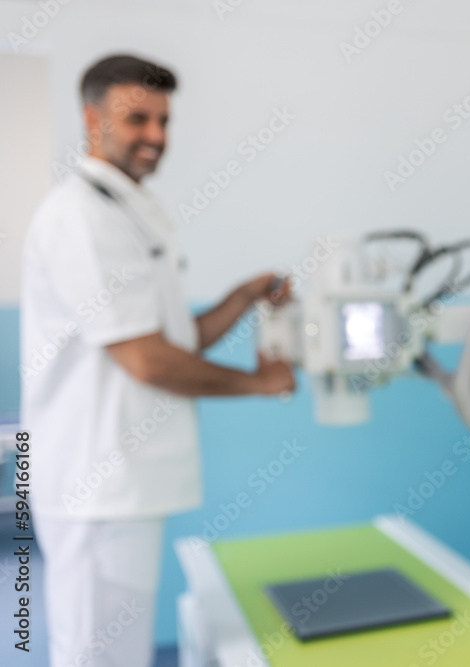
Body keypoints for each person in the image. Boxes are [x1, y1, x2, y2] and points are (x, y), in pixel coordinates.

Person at [19, 54, 296, 667]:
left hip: (124, 482)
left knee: (120, 649)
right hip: (95, 484)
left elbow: (175, 338)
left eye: (163, 121)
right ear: (93, 119)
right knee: (97, 655)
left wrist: (244, 297)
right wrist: (260, 383)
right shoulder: (81, 217)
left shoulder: (133, 210)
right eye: (137, 119)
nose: (156, 136)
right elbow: (148, 360)